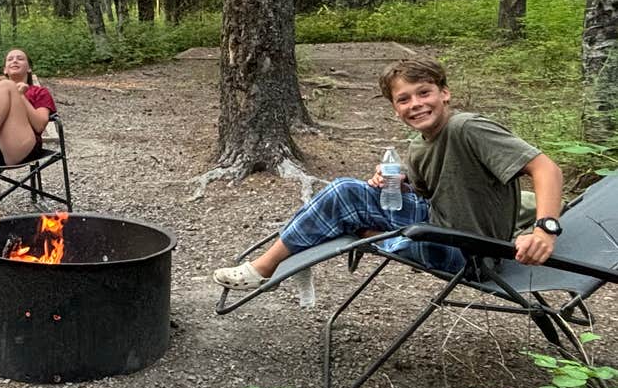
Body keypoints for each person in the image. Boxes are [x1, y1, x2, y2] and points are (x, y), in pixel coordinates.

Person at [212, 57, 565, 290]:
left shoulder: (466, 127)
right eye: (404, 99)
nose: (416, 104)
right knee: (346, 191)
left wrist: (545, 229)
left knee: (383, 229)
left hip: (471, 252)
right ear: (395, 108)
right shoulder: (421, 145)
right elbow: (426, 195)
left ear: (444, 93)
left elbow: (545, 168)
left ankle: (266, 268)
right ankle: (320, 243)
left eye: (424, 93)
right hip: (442, 225)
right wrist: (395, 181)